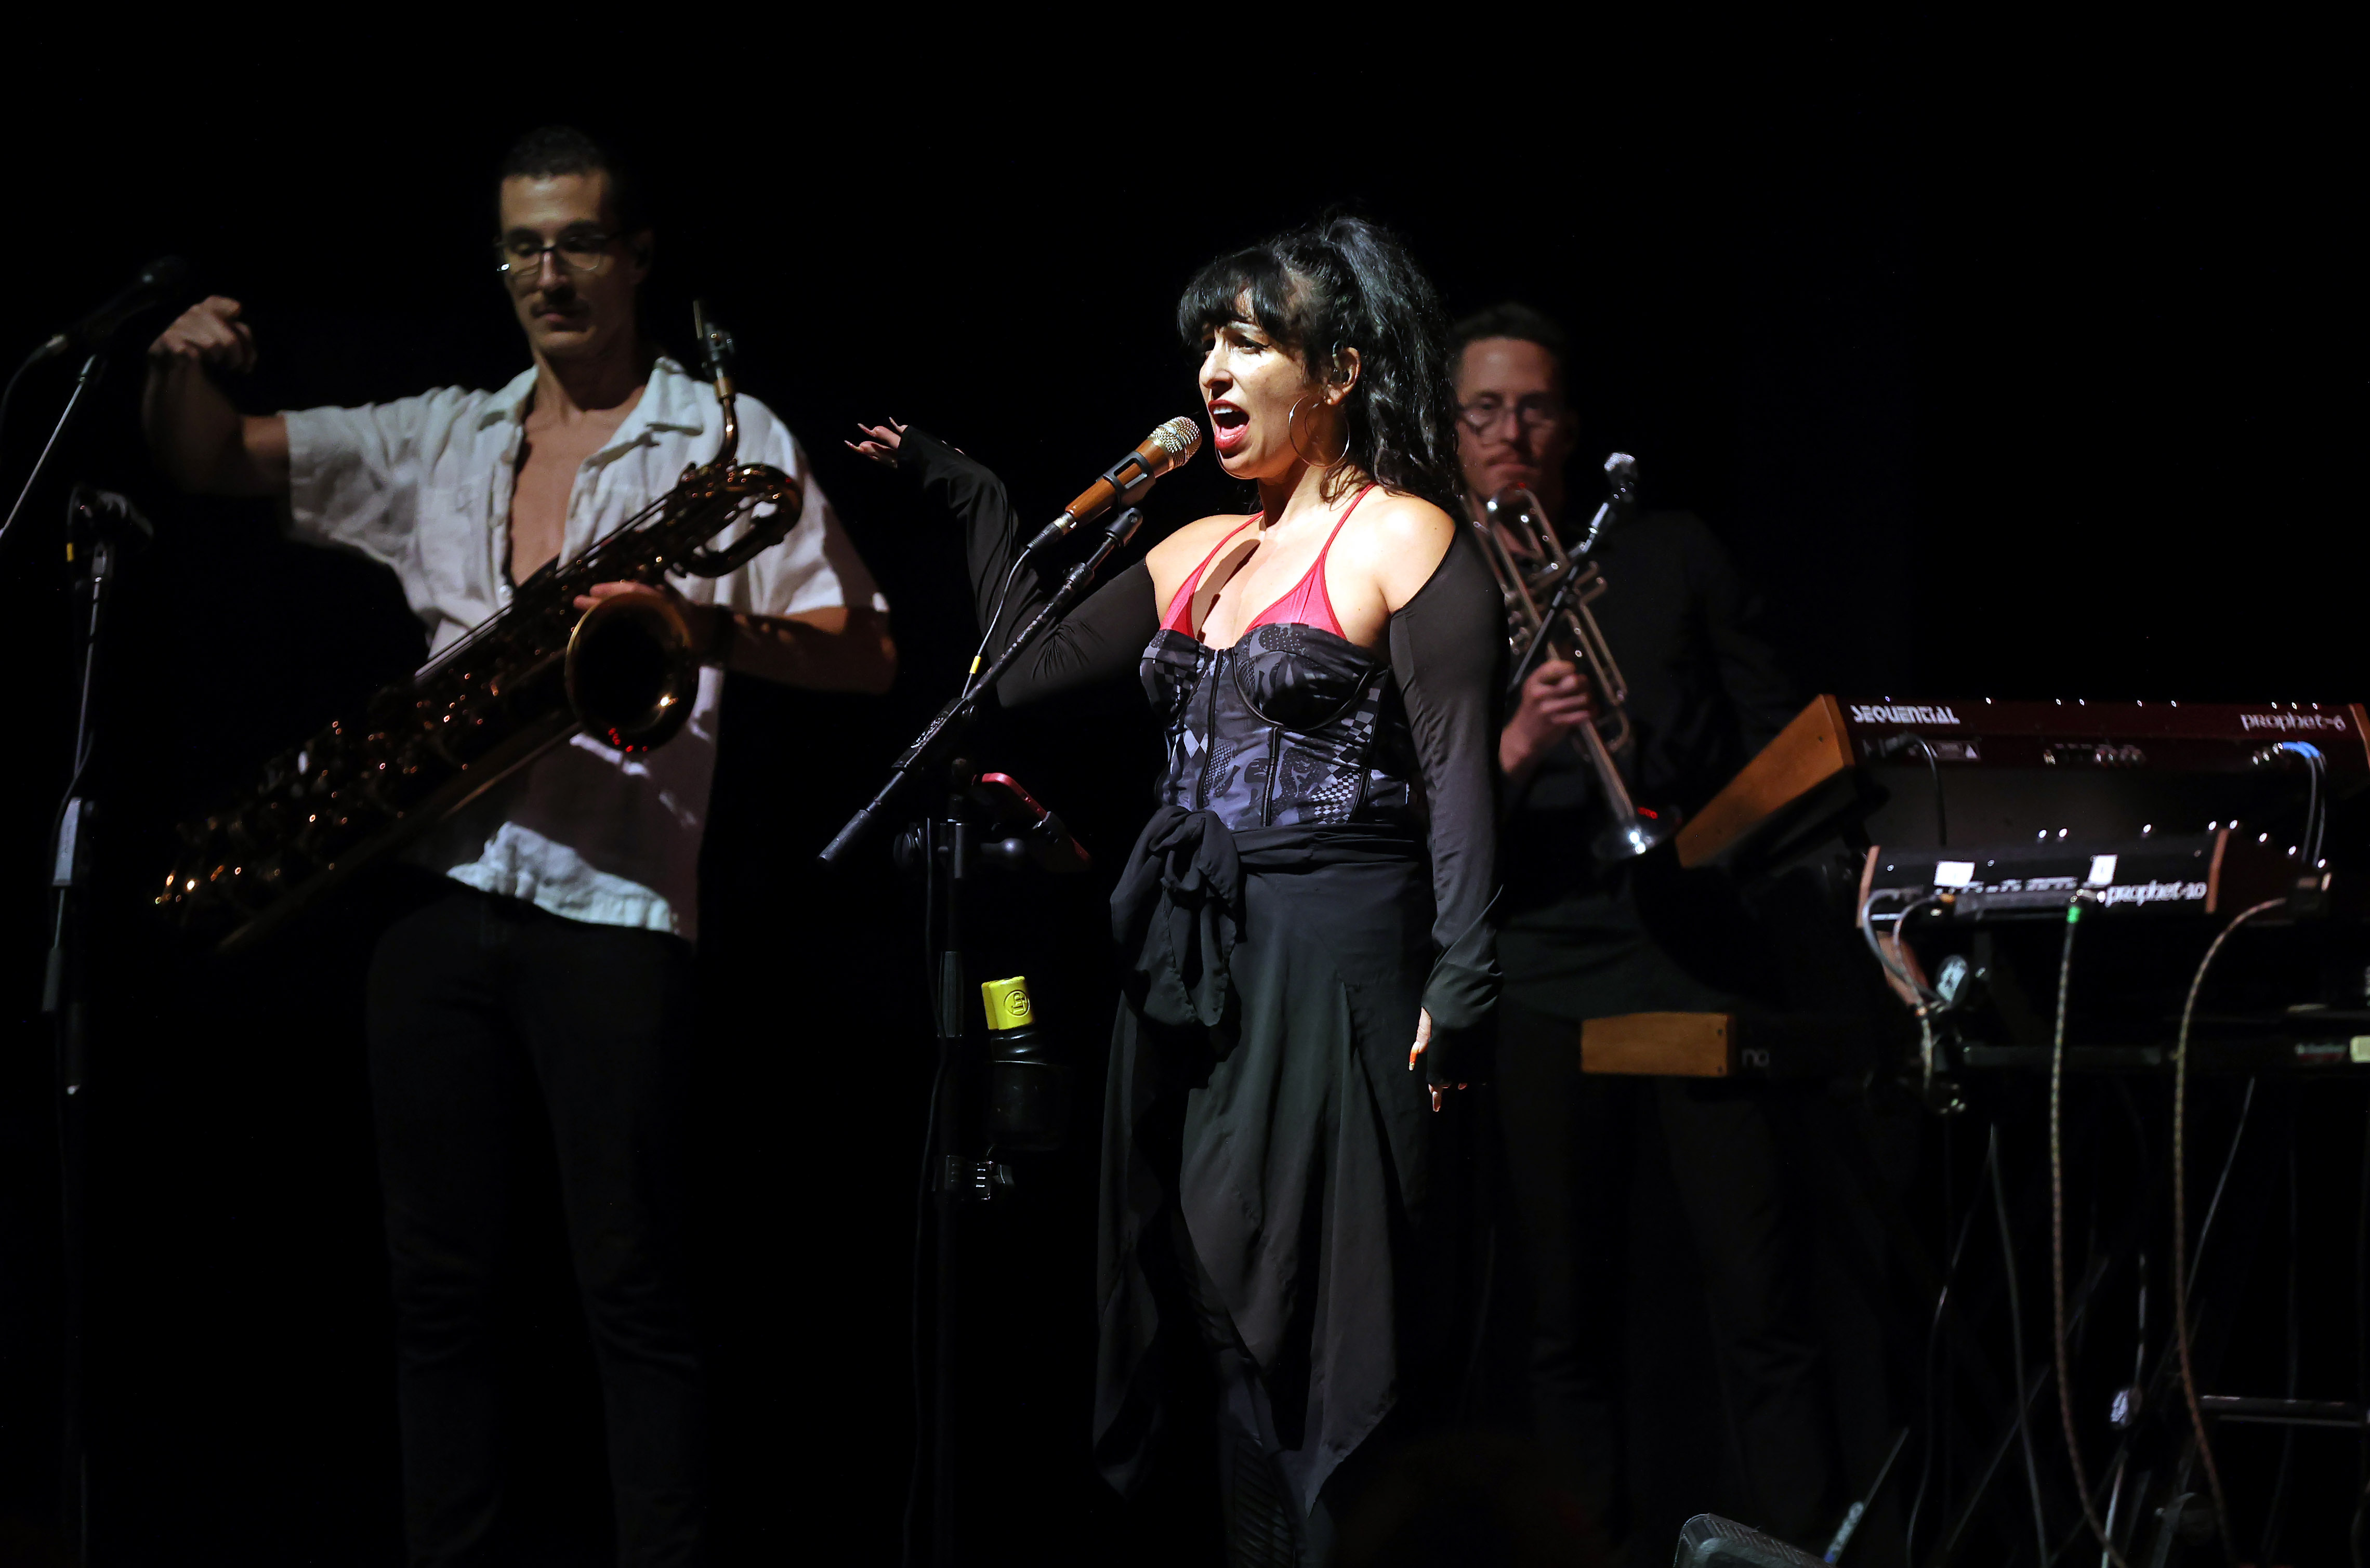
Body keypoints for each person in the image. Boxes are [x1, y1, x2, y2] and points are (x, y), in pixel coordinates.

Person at [143, 125, 895, 1566]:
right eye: (523, 247)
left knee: (636, 1300)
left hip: (617, 915)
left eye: (579, 243)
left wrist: (701, 628)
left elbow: (867, 651)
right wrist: (178, 359)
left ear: (636, 258)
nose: (549, 272)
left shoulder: (721, 440)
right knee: (438, 1302)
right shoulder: (443, 430)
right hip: (437, 899)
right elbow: (209, 459)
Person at [852, 215, 1503, 1566]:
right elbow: (1012, 679)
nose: (1212, 367)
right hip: (1196, 970)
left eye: (1247, 341)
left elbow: (1458, 776)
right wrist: (976, 495)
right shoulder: (1201, 546)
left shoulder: (1405, 534)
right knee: (1211, 1302)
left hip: (1339, 957)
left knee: (1328, 1326)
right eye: (1206, 341)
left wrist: (1464, 971)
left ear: (1337, 370)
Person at [1456, 302, 1834, 1545]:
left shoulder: (1670, 552)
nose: (1514, 433)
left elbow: (1783, 742)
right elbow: (1411, 821)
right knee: (1566, 1314)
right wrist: (1516, 745)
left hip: (1688, 954)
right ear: (1450, 431)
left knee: (1759, 1297)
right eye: (1484, 410)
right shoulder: (1434, 574)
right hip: (1539, 969)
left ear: (1574, 423)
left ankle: (1796, 1545)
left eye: (1538, 406)